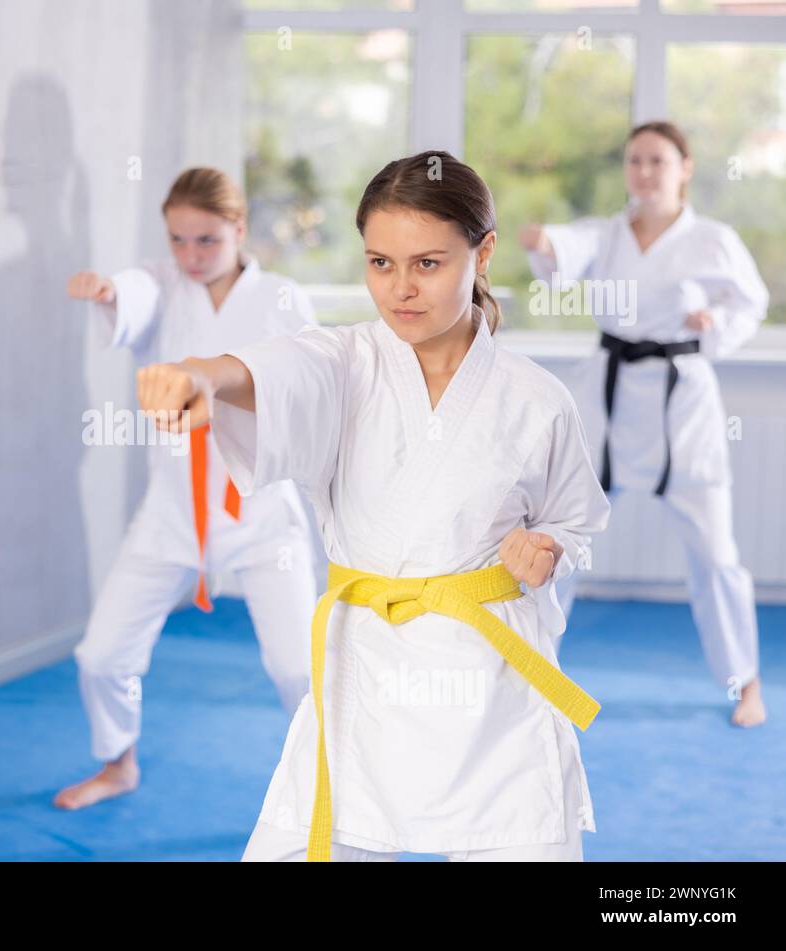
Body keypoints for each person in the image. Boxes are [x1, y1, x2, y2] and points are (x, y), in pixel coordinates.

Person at [137, 151, 610, 861]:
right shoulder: (345, 363)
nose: (400, 288)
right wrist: (199, 374)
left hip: (489, 688)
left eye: (428, 263)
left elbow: (576, 522)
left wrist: (549, 547)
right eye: (380, 263)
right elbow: (273, 369)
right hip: (365, 675)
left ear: (482, 254)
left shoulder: (537, 398)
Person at [54, 168, 319, 810]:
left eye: (206, 241)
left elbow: (310, 387)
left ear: (240, 229)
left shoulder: (281, 297)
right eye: (177, 240)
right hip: (172, 513)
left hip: (260, 517)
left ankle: (329, 788)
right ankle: (118, 763)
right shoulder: (162, 285)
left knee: (298, 671)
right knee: (100, 655)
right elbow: (135, 293)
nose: (190, 257)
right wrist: (110, 290)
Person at [521, 120, 769, 727]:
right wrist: (543, 241)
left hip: (680, 405)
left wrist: (715, 322)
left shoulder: (712, 238)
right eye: (635, 161)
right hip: (606, 399)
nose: (644, 172)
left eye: (658, 160)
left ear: (684, 167)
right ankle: (530, 669)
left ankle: (746, 684)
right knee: (560, 536)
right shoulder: (606, 234)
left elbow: (752, 302)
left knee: (715, 554)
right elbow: (563, 250)